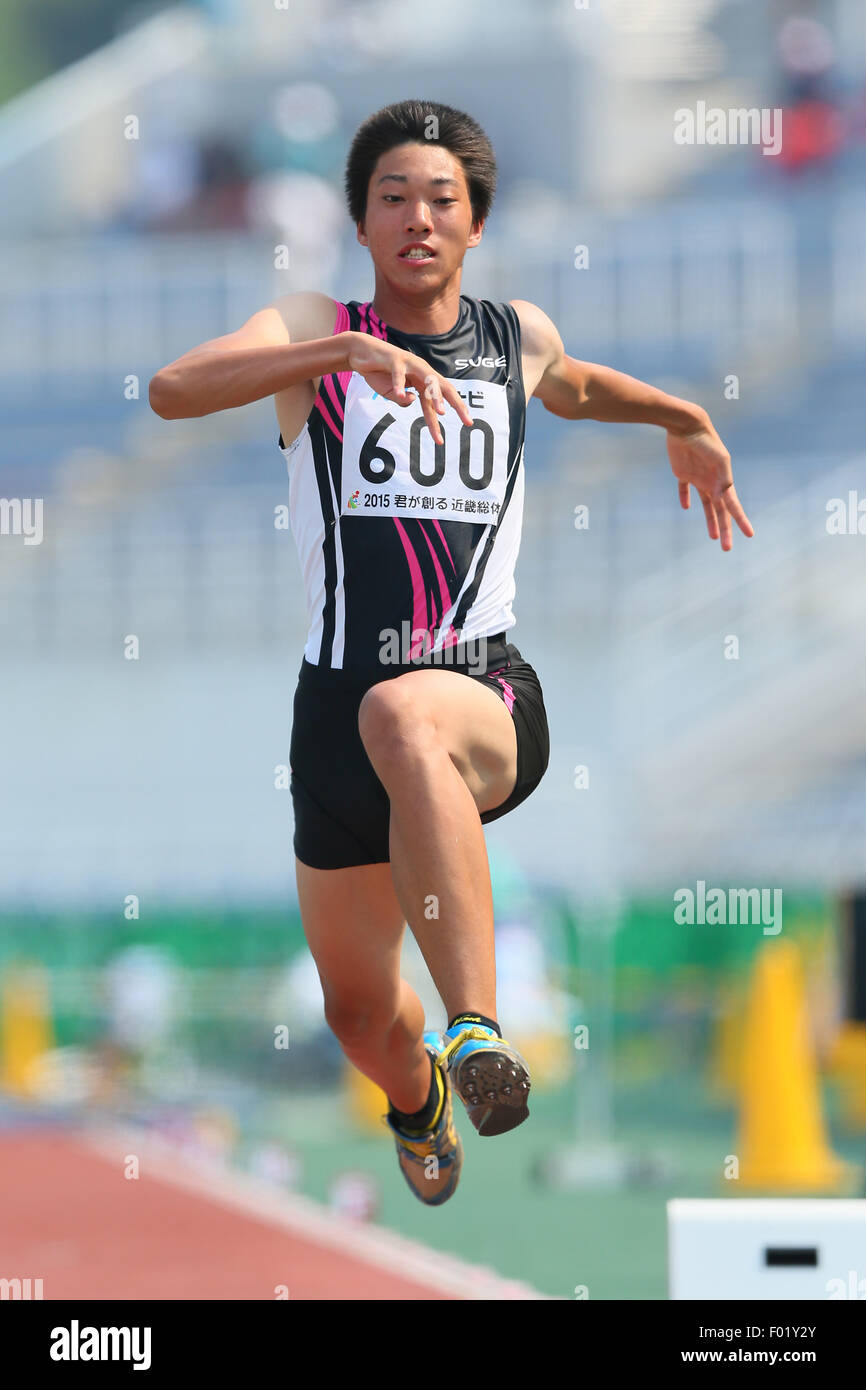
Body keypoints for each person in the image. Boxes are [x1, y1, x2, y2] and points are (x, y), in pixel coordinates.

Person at [149, 99, 753, 1207]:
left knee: (408, 715)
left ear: (474, 222)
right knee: (359, 1015)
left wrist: (682, 419)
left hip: (481, 691)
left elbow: (574, 387)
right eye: (392, 198)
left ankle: (479, 1032)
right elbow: (171, 391)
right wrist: (342, 351)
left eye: (441, 200)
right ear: (362, 220)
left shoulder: (511, 335)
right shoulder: (309, 330)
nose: (417, 219)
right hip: (333, 712)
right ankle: (421, 1095)